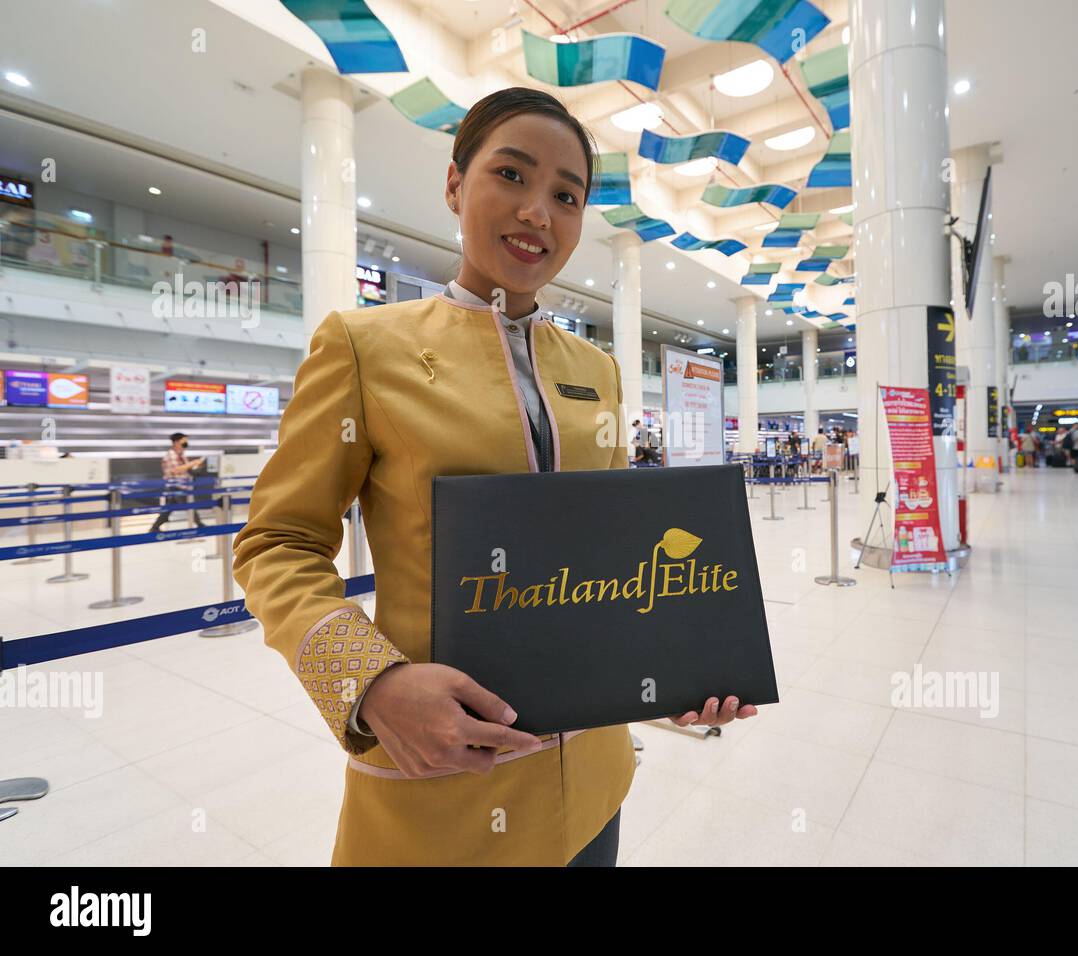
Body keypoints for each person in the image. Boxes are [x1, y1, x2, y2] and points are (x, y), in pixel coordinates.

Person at [232, 89, 755, 868]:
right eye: (511, 175)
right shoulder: (364, 347)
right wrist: (370, 683)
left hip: (594, 782)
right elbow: (276, 543)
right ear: (454, 185)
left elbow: (619, 549)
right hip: (441, 790)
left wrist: (675, 663)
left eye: (566, 195)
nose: (537, 211)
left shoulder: (597, 370)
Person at [149, 432, 207, 533]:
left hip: (182, 485)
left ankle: (154, 527)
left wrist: (196, 465)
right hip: (175, 486)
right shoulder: (171, 455)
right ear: (176, 442)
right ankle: (200, 524)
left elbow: (186, 469)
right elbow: (176, 470)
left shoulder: (181, 455)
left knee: (169, 508)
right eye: (184, 440)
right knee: (189, 505)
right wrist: (192, 463)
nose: (186, 443)